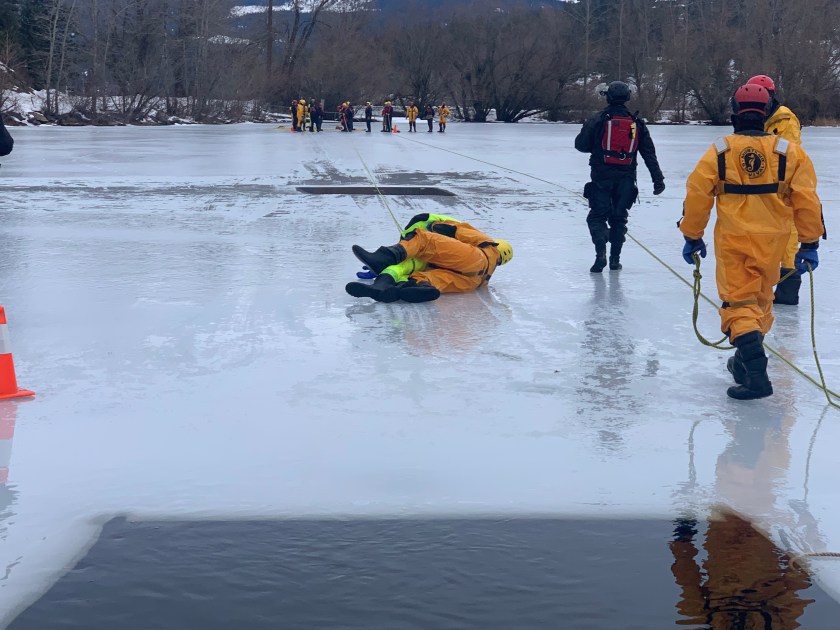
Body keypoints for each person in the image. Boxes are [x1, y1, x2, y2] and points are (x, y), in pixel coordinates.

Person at [678, 83, 824, 400]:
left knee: (739, 305)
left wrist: (692, 235)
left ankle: (757, 378)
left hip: (734, 242)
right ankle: (744, 364)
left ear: (735, 113)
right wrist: (809, 243)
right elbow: (807, 200)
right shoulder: (789, 152)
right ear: (766, 113)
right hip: (773, 242)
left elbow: (697, 195)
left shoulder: (720, 152)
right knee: (759, 302)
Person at [575, 81, 664, 273]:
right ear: (628, 98)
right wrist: (658, 180)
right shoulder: (636, 123)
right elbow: (649, 154)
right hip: (626, 178)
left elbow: (580, 145)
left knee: (597, 216)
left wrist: (597, 145)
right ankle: (615, 260)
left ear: (607, 97)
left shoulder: (598, 119)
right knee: (619, 218)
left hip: (601, 177)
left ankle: (600, 254)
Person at [345, 213, 513, 303]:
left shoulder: (488, 245)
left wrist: (434, 227)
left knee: (425, 240)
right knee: (426, 277)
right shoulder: (484, 280)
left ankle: (385, 257)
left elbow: (458, 230)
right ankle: (411, 289)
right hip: (471, 282)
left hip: (475, 258)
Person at [747, 74, 804, 306]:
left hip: (783, 189)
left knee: (788, 239)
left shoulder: (785, 121)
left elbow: (789, 155)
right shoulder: (757, 118)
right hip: (760, 190)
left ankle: (787, 289)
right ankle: (756, 284)